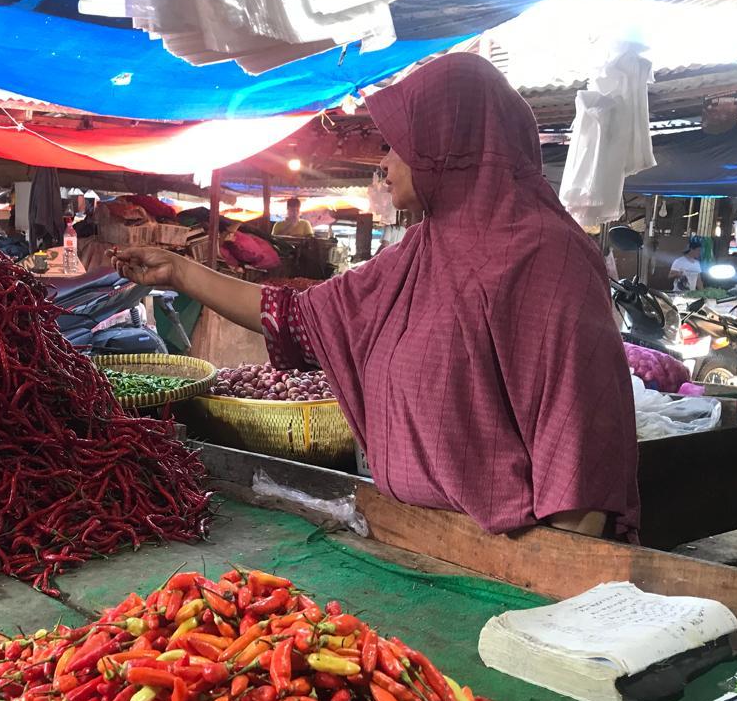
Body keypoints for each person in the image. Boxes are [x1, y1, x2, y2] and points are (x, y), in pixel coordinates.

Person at [113, 53, 638, 539]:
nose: (384, 164)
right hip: (420, 539)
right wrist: (179, 273)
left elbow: (580, 453)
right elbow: (301, 317)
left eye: (397, 145)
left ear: (447, 142)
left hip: (511, 555)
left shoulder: (546, 258)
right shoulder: (420, 251)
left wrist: (552, 590)